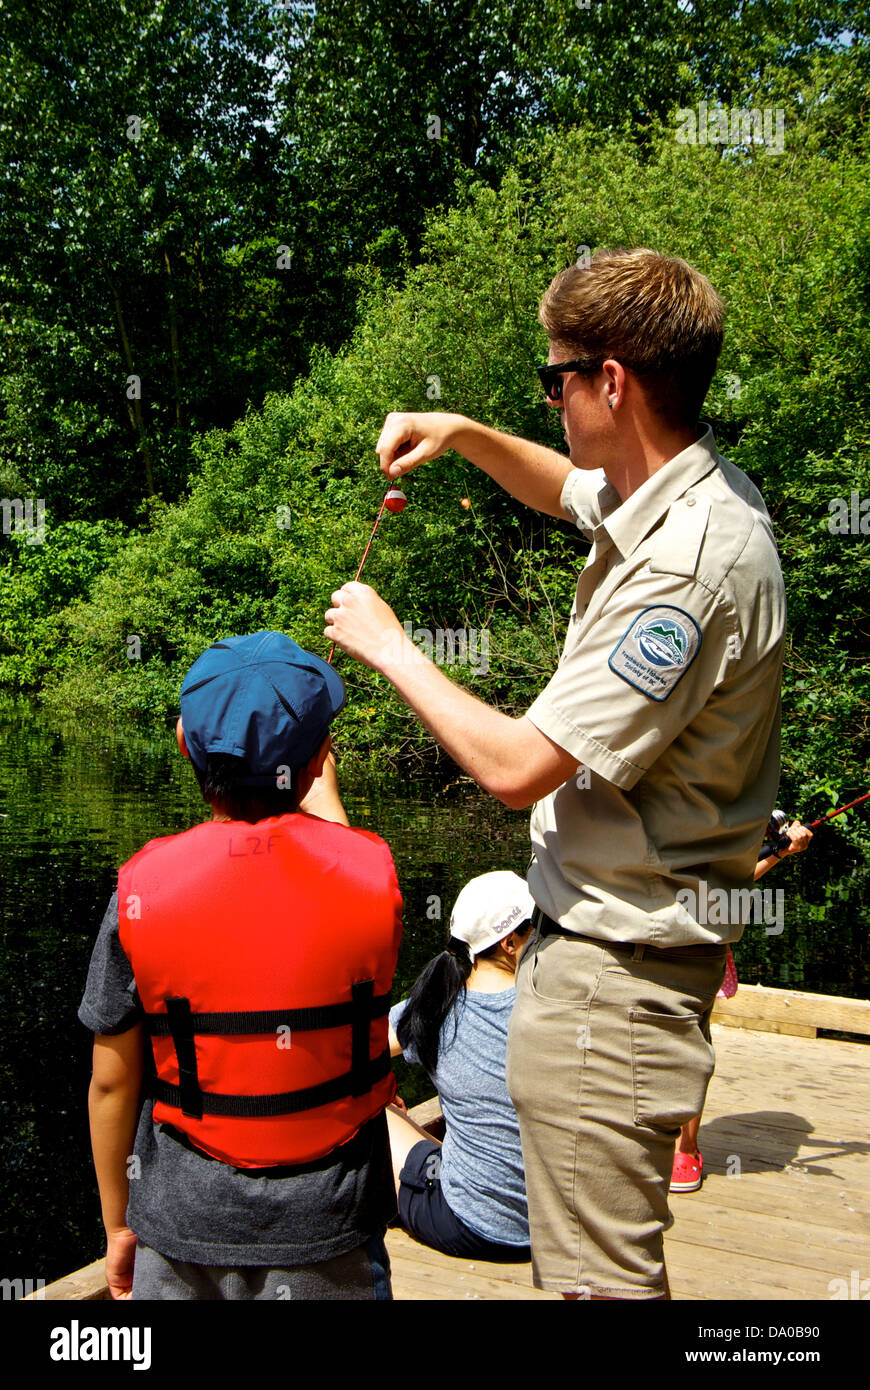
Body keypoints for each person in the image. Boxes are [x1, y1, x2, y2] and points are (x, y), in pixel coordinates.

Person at [324, 247, 787, 1299]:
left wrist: (392, 648)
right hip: (601, 959)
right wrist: (463, 433)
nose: (551, 399)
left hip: (616, 983)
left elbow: (519, 766)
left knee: (596, 1285)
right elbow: (566, 487)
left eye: (554, 379)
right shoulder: (671, 489)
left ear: (609, 382)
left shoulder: (686, 567)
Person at [79, 631, 403, 1300]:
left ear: (183, 744)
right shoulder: (375, 874)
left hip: (181, 1227)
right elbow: (340, 866)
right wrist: (312, 774)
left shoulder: (139, 891)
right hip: (332, 1226)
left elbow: (111, 1085)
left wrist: (118, 1225)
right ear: (319, 761)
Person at [386, 871, 534, 1262]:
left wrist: (380, 1089)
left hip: (471, 1227)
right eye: (536, 926)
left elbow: (358, 1049)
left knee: (374, 1114)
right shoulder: (549, 1005)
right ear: (510, 943)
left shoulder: (437, 1009)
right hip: (553, 1227)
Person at [672, 818, 814, 1192]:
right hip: (637, 935)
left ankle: (686, 1148)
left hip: (700, 943)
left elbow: (732, 882)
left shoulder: (729, 816)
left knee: (691, 1044)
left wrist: (781, 850)